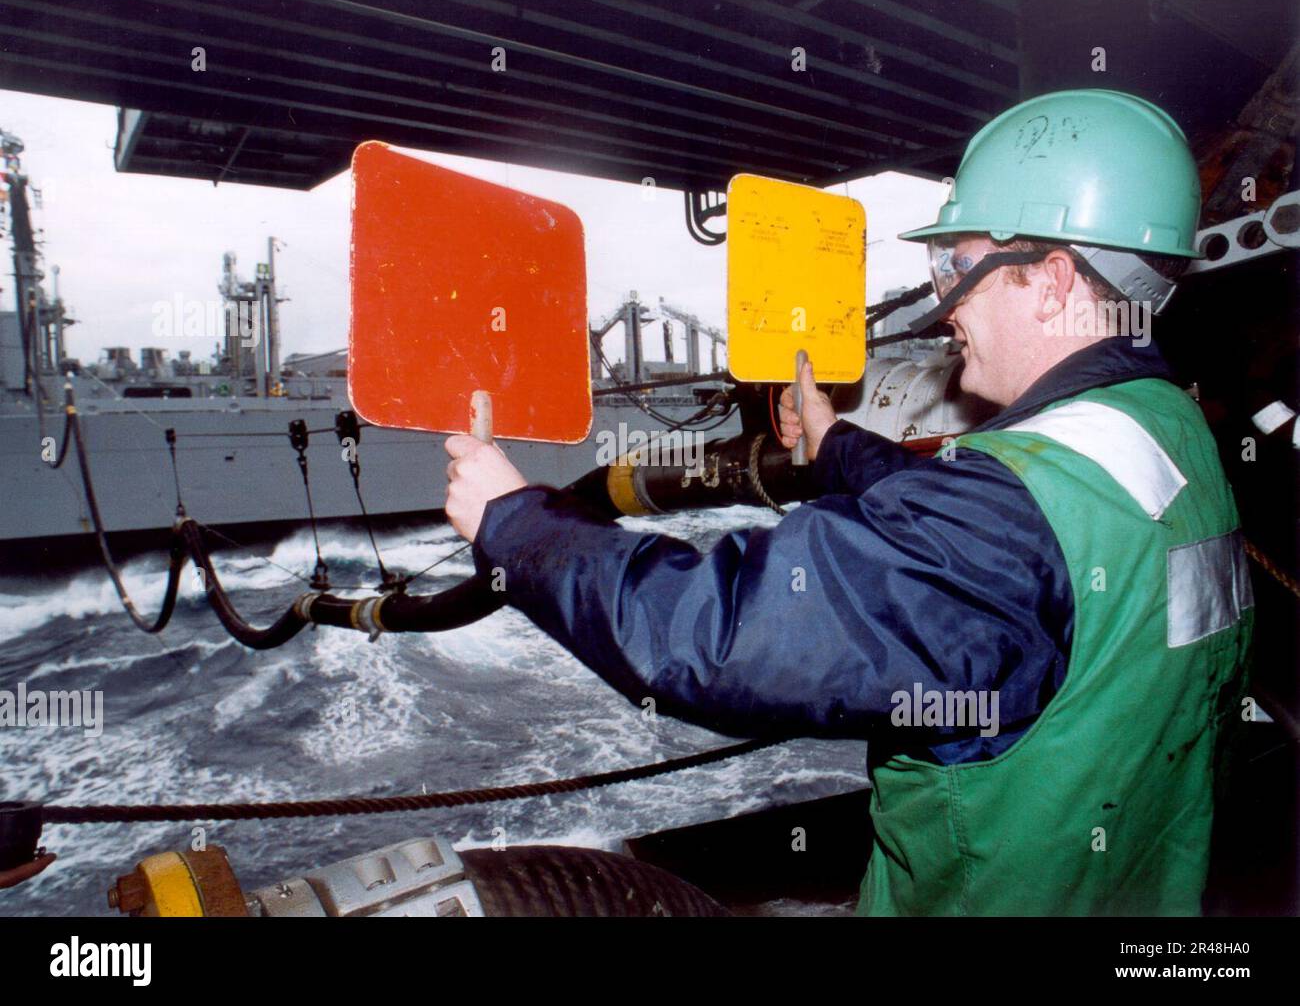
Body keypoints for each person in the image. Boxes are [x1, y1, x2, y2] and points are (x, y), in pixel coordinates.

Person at [442, 89, 1253, 916]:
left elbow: (716, 640)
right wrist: (834, 445)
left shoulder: (1007, 514)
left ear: (1049, 284)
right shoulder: (1168, 428)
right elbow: (997, 547)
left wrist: (514, 523)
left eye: (953, 267)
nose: (946, 310)